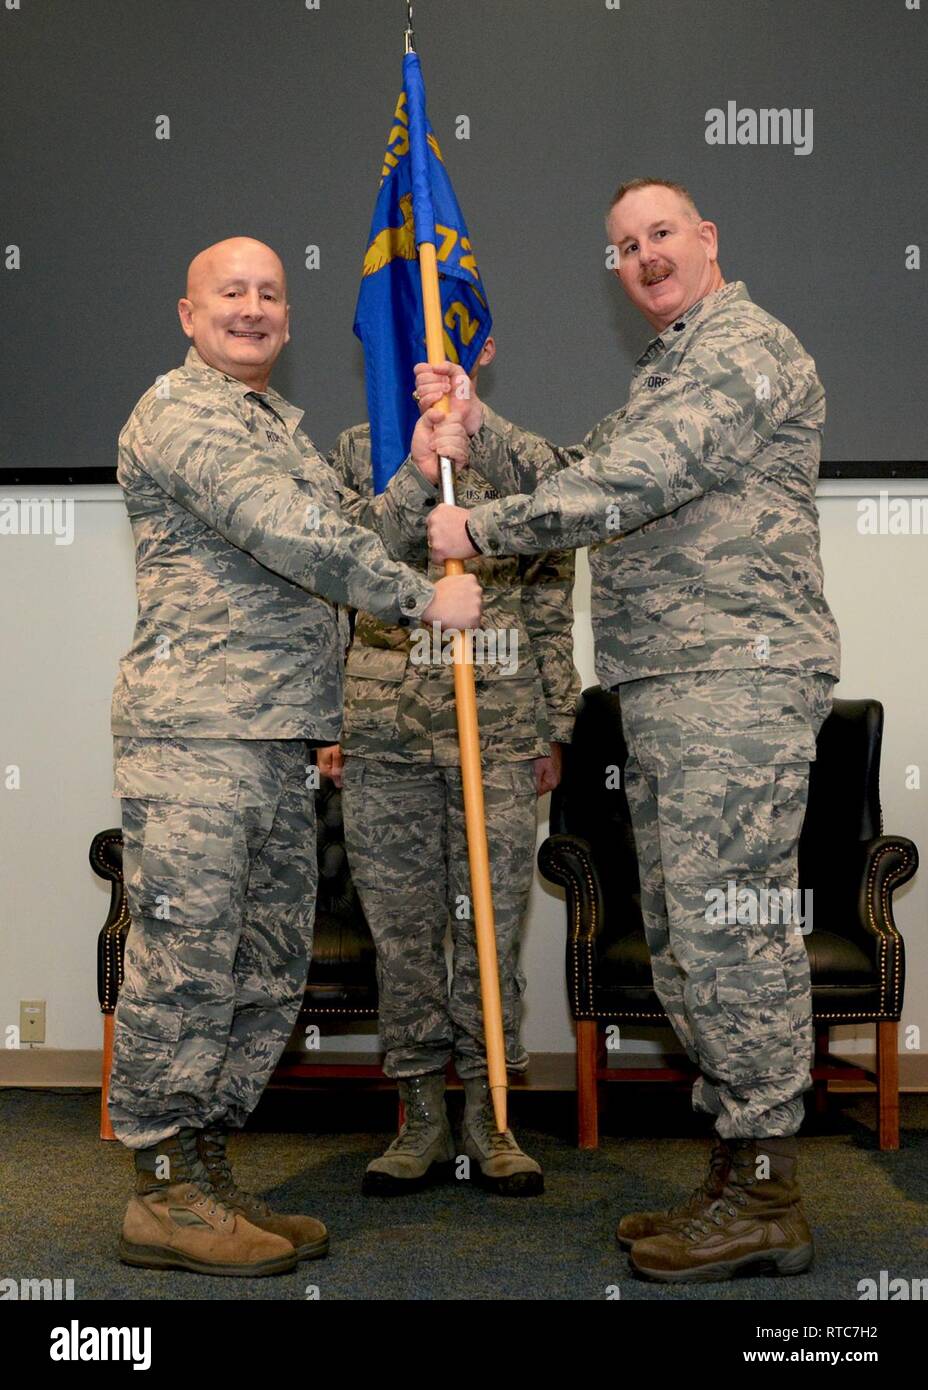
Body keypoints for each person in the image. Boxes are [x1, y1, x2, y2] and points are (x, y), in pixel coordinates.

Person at [417, 179, 841, 1282]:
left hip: (733, 684)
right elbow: (583, 474)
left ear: (707, 240)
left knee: (730, 940)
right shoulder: (667, 370)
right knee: (692, 944)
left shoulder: (746, 348)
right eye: (623, 246)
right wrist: (476, 421)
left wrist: (477, 525)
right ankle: (740, 1166)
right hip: (670, 688)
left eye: (661, 235)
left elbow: (629, 489)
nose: (644, 255)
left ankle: (765, 1193)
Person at [109, 236, 480, 1277]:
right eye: (231, 291)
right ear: (188, 314)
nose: (254, 308)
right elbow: (294, 538)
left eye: (271, 293)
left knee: (262, 971)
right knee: (186, 968)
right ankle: (162, 1193)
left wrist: (413, 477)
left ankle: (208, 1170)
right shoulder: (180, 413)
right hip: (197, 736)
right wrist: (423, 597)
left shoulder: (275, 428)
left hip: (276, 741)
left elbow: (348, 527)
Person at [318, 336, 580, 1197]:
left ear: (488, 349)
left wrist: (557, 723)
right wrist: (327, 719)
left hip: (496, 728)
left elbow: (548, 597)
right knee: (402, 936)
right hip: (382, 729)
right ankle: (421, 1114)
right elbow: (329, 576)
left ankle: (491, 1117)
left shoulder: (521, 458)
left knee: (490, 933)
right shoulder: (360, 451)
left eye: (456, 342)